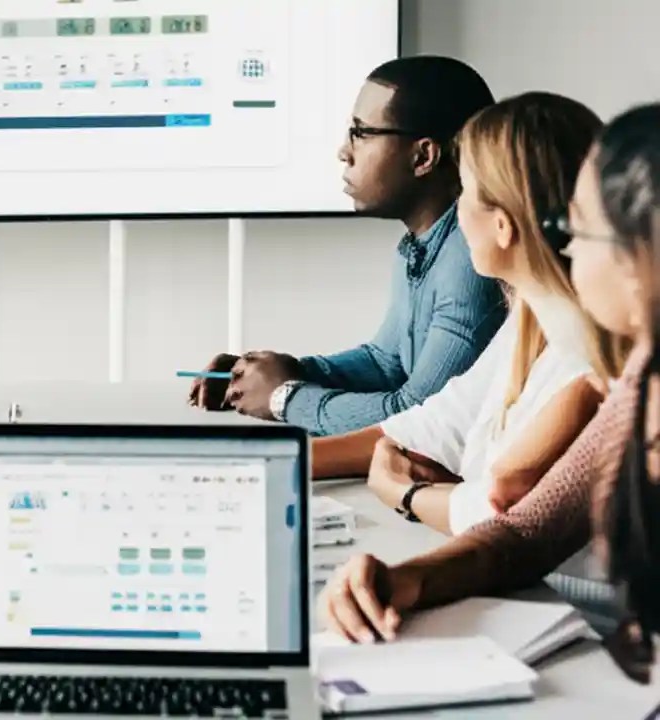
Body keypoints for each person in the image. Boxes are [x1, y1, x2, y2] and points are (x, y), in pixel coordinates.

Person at [318, 104, 660, 680]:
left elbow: (503, 504)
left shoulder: (606, 378)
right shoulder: (639, 383)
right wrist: (403, 580)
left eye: (577, 228)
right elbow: (525, 534)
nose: (568, 247)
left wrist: (403, 496)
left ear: (635, 262)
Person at [310, 92, 625, 535]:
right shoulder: (532, 319)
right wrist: (277, 462)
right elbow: (437, 424)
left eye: (467, 192)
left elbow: (501, 513)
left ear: (503, 225)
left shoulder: (587, 363)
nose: (457, 211)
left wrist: (405, 493)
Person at [189, 56, 506, 437]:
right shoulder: (422, 244)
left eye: (361, 132)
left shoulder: (471, 258)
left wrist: (283, 397)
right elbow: (387, 364)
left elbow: (417, 417)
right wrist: (275, 374)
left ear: (423, 156)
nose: (344, 151)